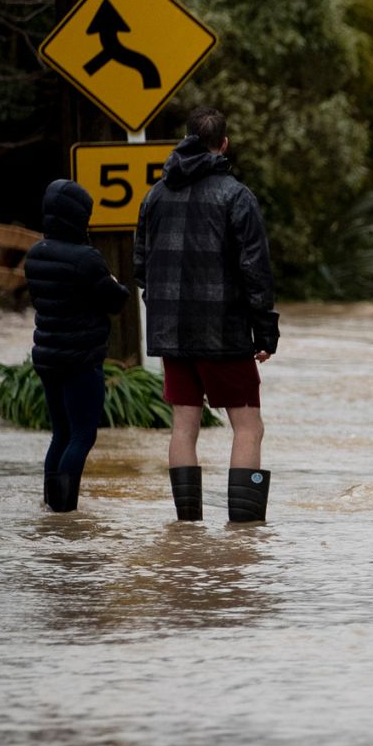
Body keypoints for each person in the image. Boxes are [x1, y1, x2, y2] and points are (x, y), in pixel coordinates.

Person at [135, 107, 280, 523]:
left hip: (172, 333)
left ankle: (187, 526)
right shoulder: (236, 196)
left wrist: (164, 311)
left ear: (186, 140)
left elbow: (141, 267)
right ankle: (245, 527)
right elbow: (255, 270)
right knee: (249, 426)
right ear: (224, 144)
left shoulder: (155, 195)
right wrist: (265, 331)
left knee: (183, 425)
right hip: (224, 332)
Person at [24, 180, 127, 513]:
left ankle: (52, 508)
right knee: (83, 435)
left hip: (47, 357)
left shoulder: (35, 254)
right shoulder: (87, 260)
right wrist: (114, 283)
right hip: (81, 360)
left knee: (61, 434)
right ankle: (65, 512)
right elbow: (115, 301)